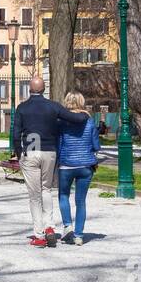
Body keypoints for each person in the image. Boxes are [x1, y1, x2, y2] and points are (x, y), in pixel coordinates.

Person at [14, 75, 89, 247]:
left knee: (34, 196)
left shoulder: (22, 108)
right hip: (49, 152)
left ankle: (39, 234)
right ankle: (49, 227)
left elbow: (16, 133)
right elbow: (75, 118)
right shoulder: (53, 106)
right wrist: (84, 115)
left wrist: (19, 153)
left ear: (29, 90)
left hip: (31, 152)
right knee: (46, 189)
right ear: (43, 89)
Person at [56, 92, 101, 245]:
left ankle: (67, 224)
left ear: (66, 102)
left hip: (66, 165)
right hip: (85, 165)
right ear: (82, 102)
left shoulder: (61, 122)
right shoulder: (89, 121)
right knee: (81, 201)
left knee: (63, 195)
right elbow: (96, 146)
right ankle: (79, 235)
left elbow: (59, 144)